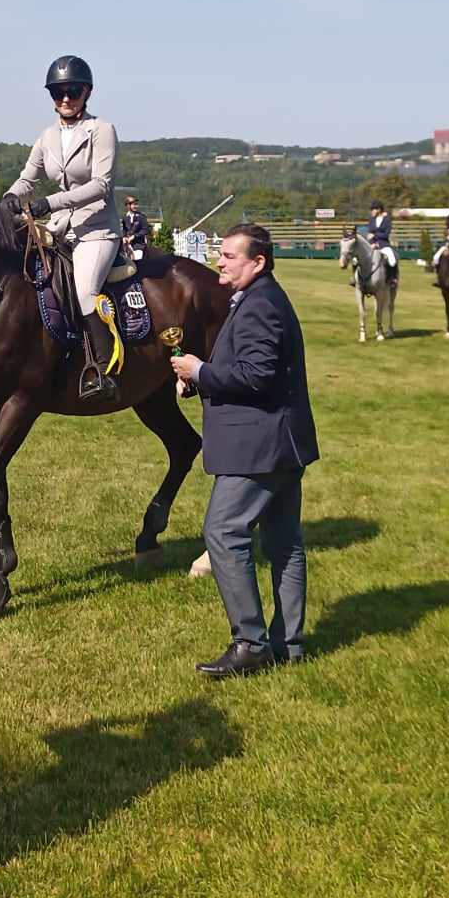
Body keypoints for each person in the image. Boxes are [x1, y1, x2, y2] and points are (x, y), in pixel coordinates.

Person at [169, 223, 319, 679]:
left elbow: (255, 376)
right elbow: (250, 368)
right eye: (220, 252)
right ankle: (286, 644)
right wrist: (202, 377)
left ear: (258, 262)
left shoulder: (261, 306)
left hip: (260, 447)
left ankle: (250, 644)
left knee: (223, 532)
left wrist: (200, 370)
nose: (219, 260)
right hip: (279, 443)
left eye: (230, 255)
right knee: (283, 541)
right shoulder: (260, 298)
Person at [0, 56, 122, 399]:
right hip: (59, 228)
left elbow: (102, 185)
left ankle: (102, 370)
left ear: (87, 92)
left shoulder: (102, 130)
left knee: (84, 290)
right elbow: (28, 178)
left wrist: (48, 204)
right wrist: (10, 198)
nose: (65, 98)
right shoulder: (47, 137)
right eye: (57, 92)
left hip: (95, 229)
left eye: (72, 91)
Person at [366, 202, 398, 284]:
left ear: (379, 210)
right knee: (356, 259)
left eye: (373, 210)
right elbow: (369, 234)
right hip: (372, 245)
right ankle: (356, 279)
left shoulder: (387, 220)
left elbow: (386, 234)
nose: (371, 212)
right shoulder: (371, 219)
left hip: (384, 244)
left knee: (392, 260)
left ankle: (392, 278)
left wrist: (374, 235)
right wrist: (372, 243)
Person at [121, 194, 149, 258]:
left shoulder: (141, 216)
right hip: (126, 245)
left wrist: (134, 236)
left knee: (137, 258)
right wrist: (124, 237)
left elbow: (145, 230)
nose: (136, 206)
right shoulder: (124, 217)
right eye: (134, 204)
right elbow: (124, 230)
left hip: (138, 245)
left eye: (136, 204)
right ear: (128, 205)